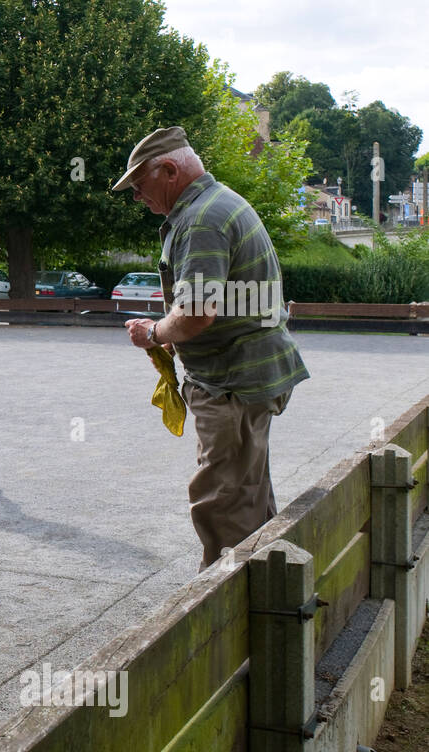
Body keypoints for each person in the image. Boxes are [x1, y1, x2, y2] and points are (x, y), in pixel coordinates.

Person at [115, 126, 309, 569]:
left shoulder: (200, 219)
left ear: (168, 170)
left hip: (230, 383)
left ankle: (223, 618)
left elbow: (195, 314)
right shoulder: (219, 203)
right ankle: (269, 602)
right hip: (249, 376)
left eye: (140, 186)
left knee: (222, 504)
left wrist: (153, 333)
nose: (138, 197)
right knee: (247, 495)